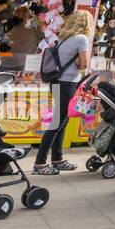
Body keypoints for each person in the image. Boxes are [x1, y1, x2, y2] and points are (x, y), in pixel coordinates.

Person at [32, 10, 93, 175]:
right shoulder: (82, 39)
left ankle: (57, 159)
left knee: (62, 122)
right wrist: (81, 60)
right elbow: (83, 65)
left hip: (56, 82)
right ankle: (40, 163)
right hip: (67, 84)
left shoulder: (63, 38)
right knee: (57, 123)